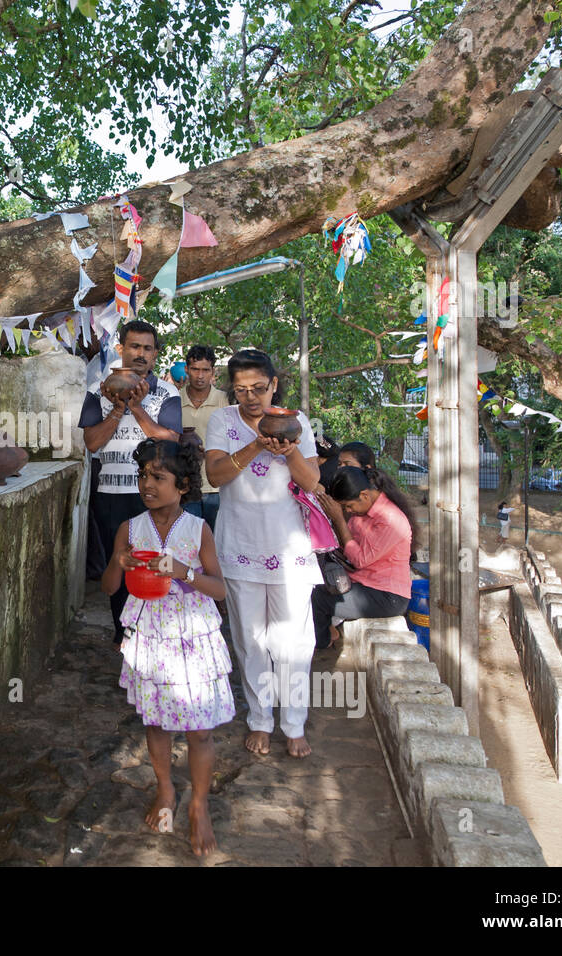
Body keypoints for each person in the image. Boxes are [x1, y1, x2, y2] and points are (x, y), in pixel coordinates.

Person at [100, 439, 233, 856]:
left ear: (183, 485)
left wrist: (183, 571)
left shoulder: (197, 529)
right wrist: (117, 563)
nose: (147, 485)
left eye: (158, 477)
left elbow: (220, 589)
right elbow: (107, 588)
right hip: (150, 635)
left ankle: (199, 804)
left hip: (192, 636)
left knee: (200, 729)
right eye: (143, 476)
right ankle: (165, 792)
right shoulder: (130, 528)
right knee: (156, 721)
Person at [204, 348, 321, 759]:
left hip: (289, 546)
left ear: (273, 384)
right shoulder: (222, 420)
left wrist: (288, 451)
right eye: (241, 390)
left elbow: (311, 482)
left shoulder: (296, 422)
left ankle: (293, 724)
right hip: (239, 545)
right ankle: (260, 720)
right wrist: (255, 446)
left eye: (258, 388)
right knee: (251, 640)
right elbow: (215, 476)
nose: (251, 397)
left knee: (293, 642)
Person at [78, 319, 182, 644]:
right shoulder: (97, 392)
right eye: (134, 346)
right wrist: (117, 407)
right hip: (112, 495)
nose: (140, 354)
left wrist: (136, 409)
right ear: (121, 349)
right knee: (119, 565)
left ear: (155, 354)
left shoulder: (167, 393)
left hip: (155, 495)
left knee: (155, 564)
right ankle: (124, 635)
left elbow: (172, 440)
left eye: (147, 348)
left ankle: (155, 634)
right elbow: (92, 443)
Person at [314, 465, 418, 650]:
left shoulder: (390, 519)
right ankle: (328, 631)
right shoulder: (363, 511)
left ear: (364, 495)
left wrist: (339, 520)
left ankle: (323, 643)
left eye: (349, 506)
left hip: (387, 596)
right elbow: (345, 544)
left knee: (318, 600)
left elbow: (359, 559)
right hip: (363, 583)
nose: (349, 510)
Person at [179, 345, 229, 531]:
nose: (200, 376)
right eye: (195, 369)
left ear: (213, 372)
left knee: (217, 545)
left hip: (218, 487)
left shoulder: (225, 402)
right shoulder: (174, 400)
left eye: (205, 370)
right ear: (186, 369)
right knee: (189, 544)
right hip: (186, 487)